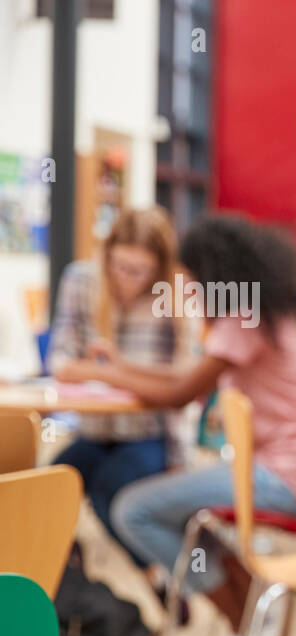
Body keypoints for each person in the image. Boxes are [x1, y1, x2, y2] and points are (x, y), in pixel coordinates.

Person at [59, 215, 296, 636]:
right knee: (171, 513)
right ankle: (250, 605)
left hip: (284, 479)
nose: (186, 290)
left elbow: (179, 395)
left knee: (135, 510)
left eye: (190, 280)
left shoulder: (240, 322)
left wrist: (100, 373)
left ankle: (243, 623)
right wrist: (122, 367)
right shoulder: (268, 312)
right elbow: (183, 381)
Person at [46, 207, 186, 572]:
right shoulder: (82, 279)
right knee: (48, 488)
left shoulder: (175, 292)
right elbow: (60, 363)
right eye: (119, 266)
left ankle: (164, 576)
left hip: (149, 432)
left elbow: (181, 385)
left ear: (158, 267)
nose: (126, 278)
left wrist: (108, 372)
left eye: (139, 270)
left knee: (112, 491)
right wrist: (124, 376)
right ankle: (68, 589)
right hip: (95, 430)